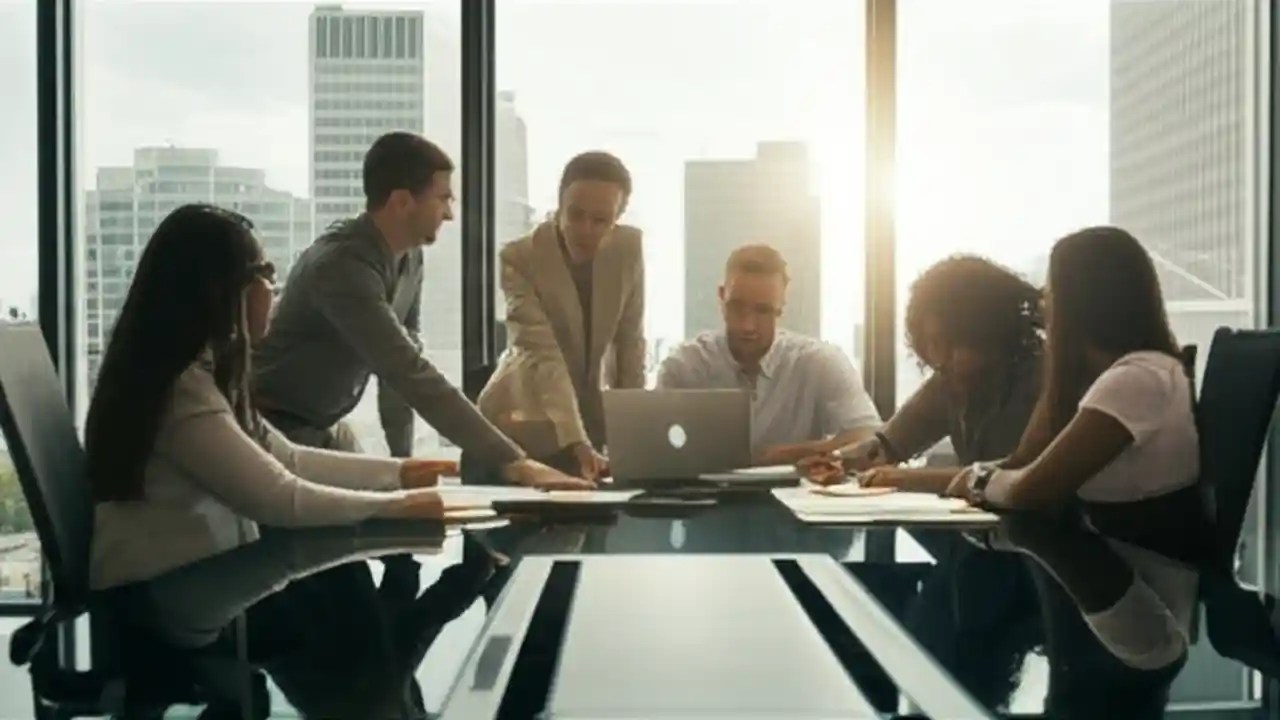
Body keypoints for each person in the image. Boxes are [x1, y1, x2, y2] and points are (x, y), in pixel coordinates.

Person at [84, 204, 457, 606]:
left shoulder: (205, 375)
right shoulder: (181, 390)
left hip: (203, 591)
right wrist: (401, 505)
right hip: (158, 607)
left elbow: (290, 460)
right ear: (218, 287)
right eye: (263, 274)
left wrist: (405, 473)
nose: (273, 289)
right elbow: (279, 498)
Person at [251, 131, 584, 490]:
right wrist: (514, 461)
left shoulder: (409, 255)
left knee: (398, 507)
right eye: (442, 199)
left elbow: (401, 365)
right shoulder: (342, 267)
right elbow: (408, 372)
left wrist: (405, 465)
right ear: (401, 202)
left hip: (323, 426)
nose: (450, 213)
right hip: (273, 426)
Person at [953, 226, 1202, 688]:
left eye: (1050, 289)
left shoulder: (1137, 379)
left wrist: (977, 481)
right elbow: (1022, 464)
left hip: (1144, 631)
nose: (1043, 302)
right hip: (1122, 581)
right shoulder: (1118, 376)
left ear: (1079, 298)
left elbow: (1031, 489)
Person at [800, 255, 1046, 709]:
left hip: (1037, 558)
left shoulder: (1041, 375)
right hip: (981, 553)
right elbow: (890, 441)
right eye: (929, 344)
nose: (939, 359)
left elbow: (1015, 475)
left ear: (984, 329)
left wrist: (908, 480)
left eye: (948, 344)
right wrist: (840, 460)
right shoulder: (952, 379)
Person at [478, 152, 644, 481]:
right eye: (575, 214)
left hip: (590, 425)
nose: (585, 229)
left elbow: (630, 343)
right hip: (521, 425)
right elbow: (542, 353)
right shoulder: (519, 257)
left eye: (600, 220)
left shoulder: (628, 248)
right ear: (558, 206)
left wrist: (634, 437)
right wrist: (577, 441)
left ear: (618, 218)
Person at [657, 244, 880, 465]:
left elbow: (869, 438)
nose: (747, 325)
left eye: (763, 311)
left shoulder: (820, 362)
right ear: (721, 297)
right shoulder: (685, 366)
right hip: (705, 497)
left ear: (781, 307)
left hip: (797, 499)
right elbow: (653, 447)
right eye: (736, 306)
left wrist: (786, 455)